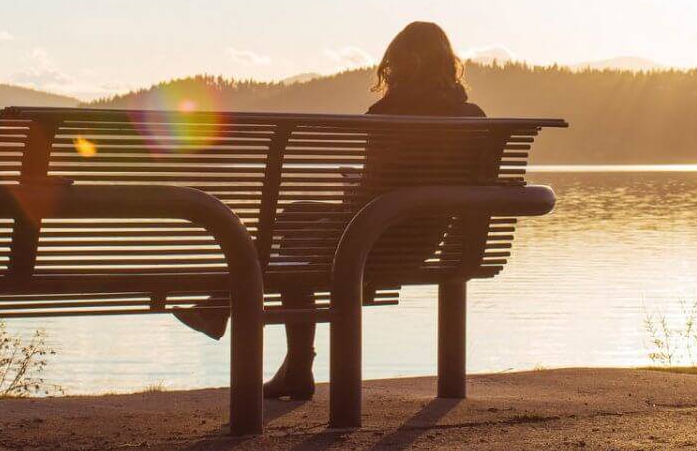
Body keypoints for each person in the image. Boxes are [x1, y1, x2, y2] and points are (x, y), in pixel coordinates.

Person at [175, 21, 486, 400]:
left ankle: (269, 342)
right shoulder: (472, 117)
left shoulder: (387, 112)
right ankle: (229, 313)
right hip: (422, 239)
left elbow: (373, 191)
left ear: (403, 63)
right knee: (293, 215)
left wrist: (355, 191)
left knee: (292, 252)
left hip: (376, 238)